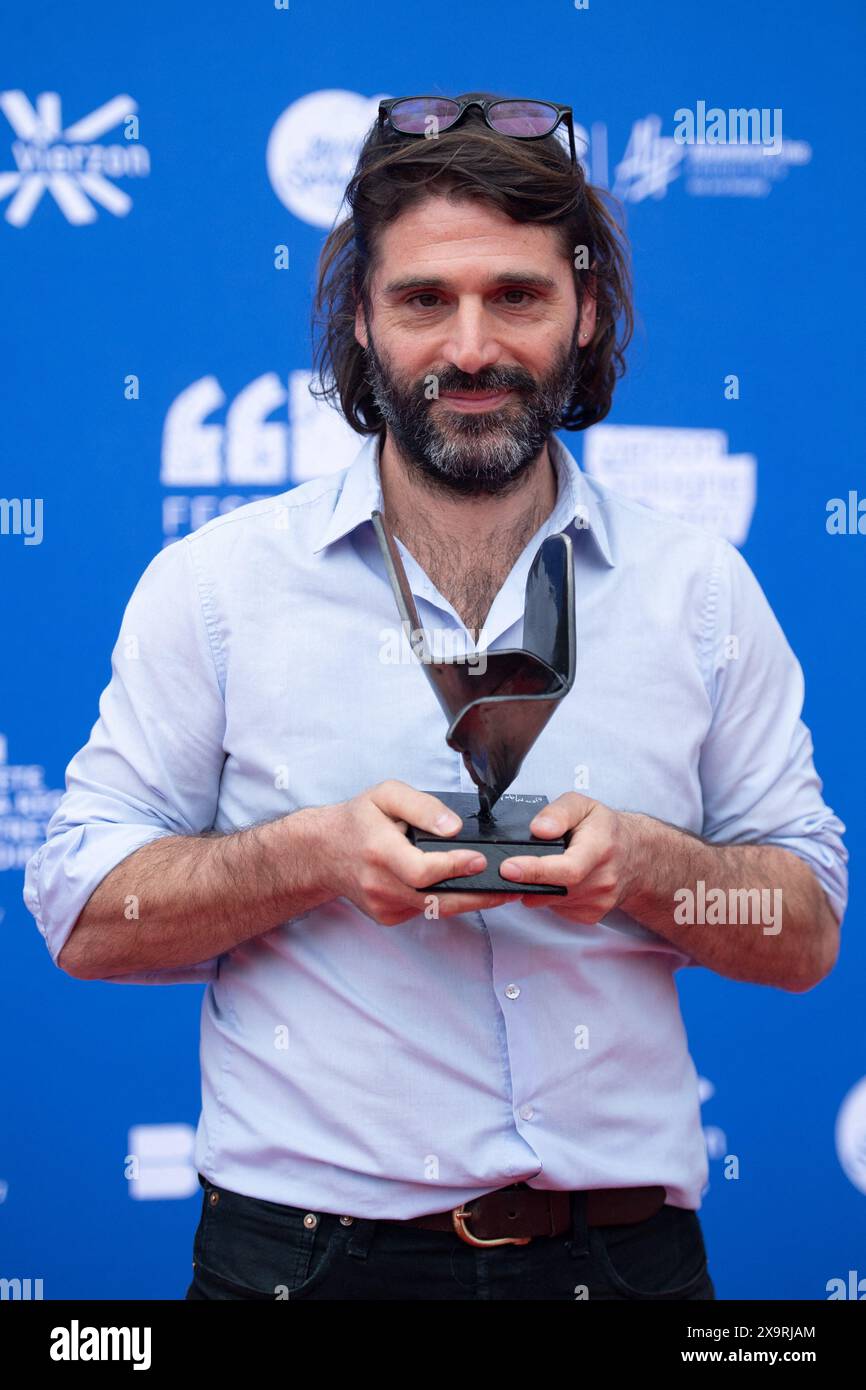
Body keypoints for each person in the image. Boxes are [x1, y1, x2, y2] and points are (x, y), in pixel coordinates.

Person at [24, 91, 847, 1301]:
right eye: (422, 300)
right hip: (300, 1262)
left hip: (622, 1265)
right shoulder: (215, 586)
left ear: (586, 313)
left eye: (517, 294)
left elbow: (806, 933)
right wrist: (306, 858)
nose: (469, 347)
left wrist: (648, 868)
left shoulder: (698, 591)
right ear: (360, 321)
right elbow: (84, 915)